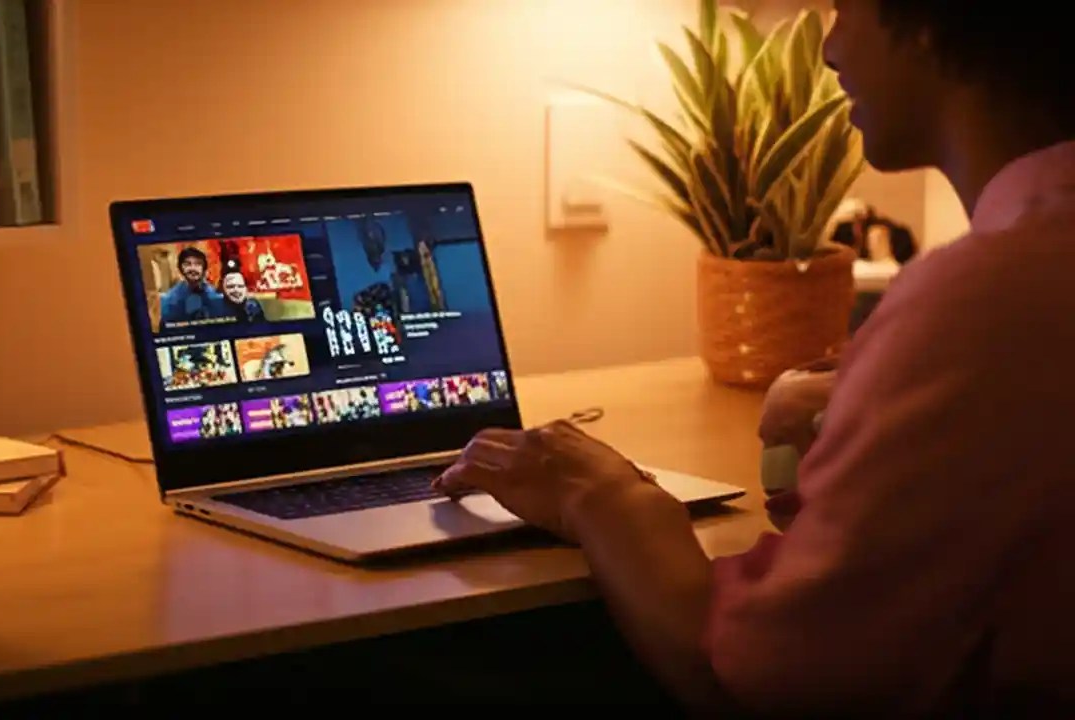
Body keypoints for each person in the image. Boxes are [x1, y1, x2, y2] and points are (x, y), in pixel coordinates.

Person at [433, 1, 1075, 715]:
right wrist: (867, 427)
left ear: (923, 22)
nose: (830, 49)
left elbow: (765, 680)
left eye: (844, 9)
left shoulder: (985, 302)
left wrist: (605, 494)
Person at [159, 247, 227, 325]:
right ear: (180, 268)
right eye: (187, 264)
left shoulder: (216, 296)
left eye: (198, 264)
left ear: (204, 268)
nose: (193, 268)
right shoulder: (169, 299)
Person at [219, 258, 266, 323]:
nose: (236, 290)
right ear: (222, 289)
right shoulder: (215, 308)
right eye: (231, 287)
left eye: (240, 286)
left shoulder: (253, 306)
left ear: (246, 289)